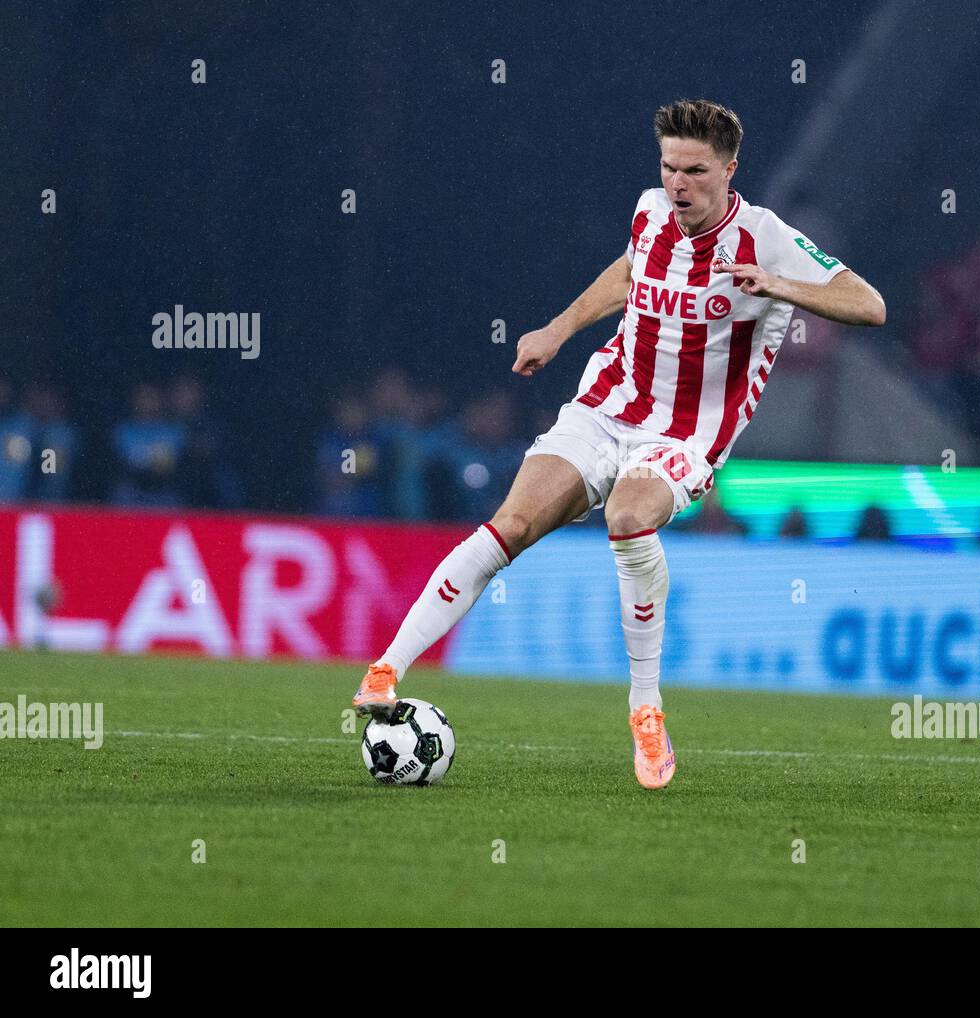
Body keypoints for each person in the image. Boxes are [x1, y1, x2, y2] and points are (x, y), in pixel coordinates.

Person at [351, 98, 886, 789]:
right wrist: (555, 329)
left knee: (627, 517)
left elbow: (868, 305)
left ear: (730, 169)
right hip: (606, 405)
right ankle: (386, 668)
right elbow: (629, 274)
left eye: (695, 171)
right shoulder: (650, 210)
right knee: (509, 524)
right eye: (669, 168)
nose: (679, 184)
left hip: (687, 433)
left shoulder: (767, 236)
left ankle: (644, 708)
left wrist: (781, 285)